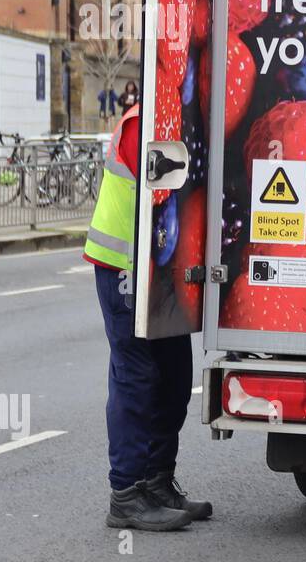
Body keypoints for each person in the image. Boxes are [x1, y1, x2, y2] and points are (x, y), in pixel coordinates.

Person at [84, 103, 211, 531]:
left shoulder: (173, 119)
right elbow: (171, 184)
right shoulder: (143, 123)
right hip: (124, 265)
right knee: (135, 375)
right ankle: (126, 495)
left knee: (176, 373)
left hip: (156, 269)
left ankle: (157, 481)